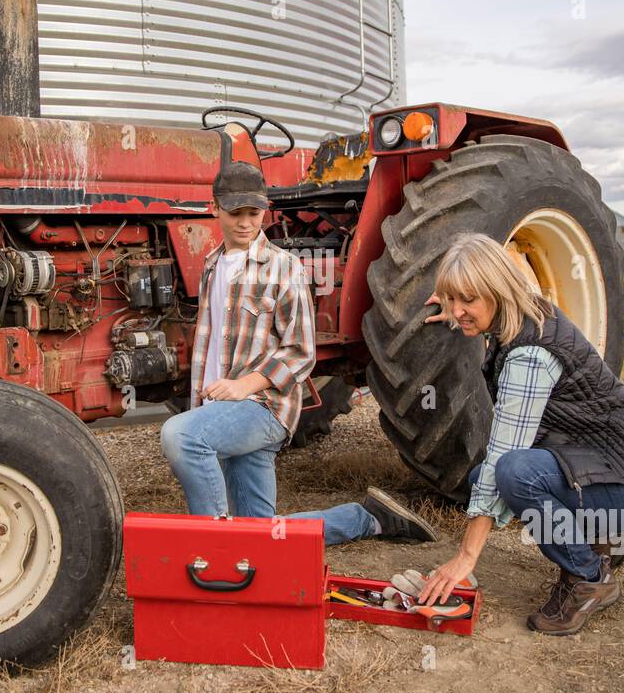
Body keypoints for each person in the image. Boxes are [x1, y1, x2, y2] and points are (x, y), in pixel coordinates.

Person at [161, 160, 436, 546]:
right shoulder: (210, 266)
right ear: (214, 208)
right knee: (261, 538)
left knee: (181, 437)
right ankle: (365, 519)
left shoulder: (283, 267)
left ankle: (214, 546)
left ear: (264, 211)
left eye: (253, 213)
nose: (245, 222)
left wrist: (245, 386)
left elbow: (301, 352)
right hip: (221, 408)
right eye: (235, 213)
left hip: (262, 406)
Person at [418, 232, 624, 635]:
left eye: (468, 299)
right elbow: (475, 303)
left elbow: (504, 452)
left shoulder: (531, 355)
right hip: (618, 470)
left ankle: (589, 578)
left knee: (513, 474)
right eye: (451, 299)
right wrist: (458, 309)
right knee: (492, 479)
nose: (457, 310)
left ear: (497, 291)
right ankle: (607, 538)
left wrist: (466, 557)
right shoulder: (526, 310)